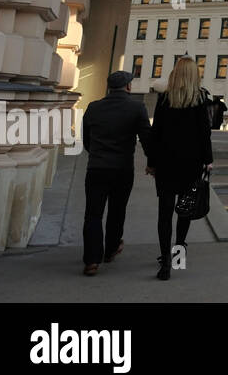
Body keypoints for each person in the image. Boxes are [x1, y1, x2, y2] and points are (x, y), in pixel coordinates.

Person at [80, 70, 152, 276]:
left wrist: (96, 154)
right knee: (117, 210)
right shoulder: (136, 108)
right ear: (128, 87)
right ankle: (111, 249)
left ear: (109, 86)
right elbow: (146, 138)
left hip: (96, 168)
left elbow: (86, 139)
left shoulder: (93, 107)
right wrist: (153, 162)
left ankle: (92, 260)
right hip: (122, 169)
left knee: (93, 214)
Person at [147, 57, 212, 281]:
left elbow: (156, 133)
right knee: (185, 211)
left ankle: (165, 260)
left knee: (164, 213)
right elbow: (205, 133)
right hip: (191, 164)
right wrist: (208, 159)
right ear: (194, 75)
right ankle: (178, 256)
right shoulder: (200, 99)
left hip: (166, 163)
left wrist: (151, 162)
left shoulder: (165, 99)